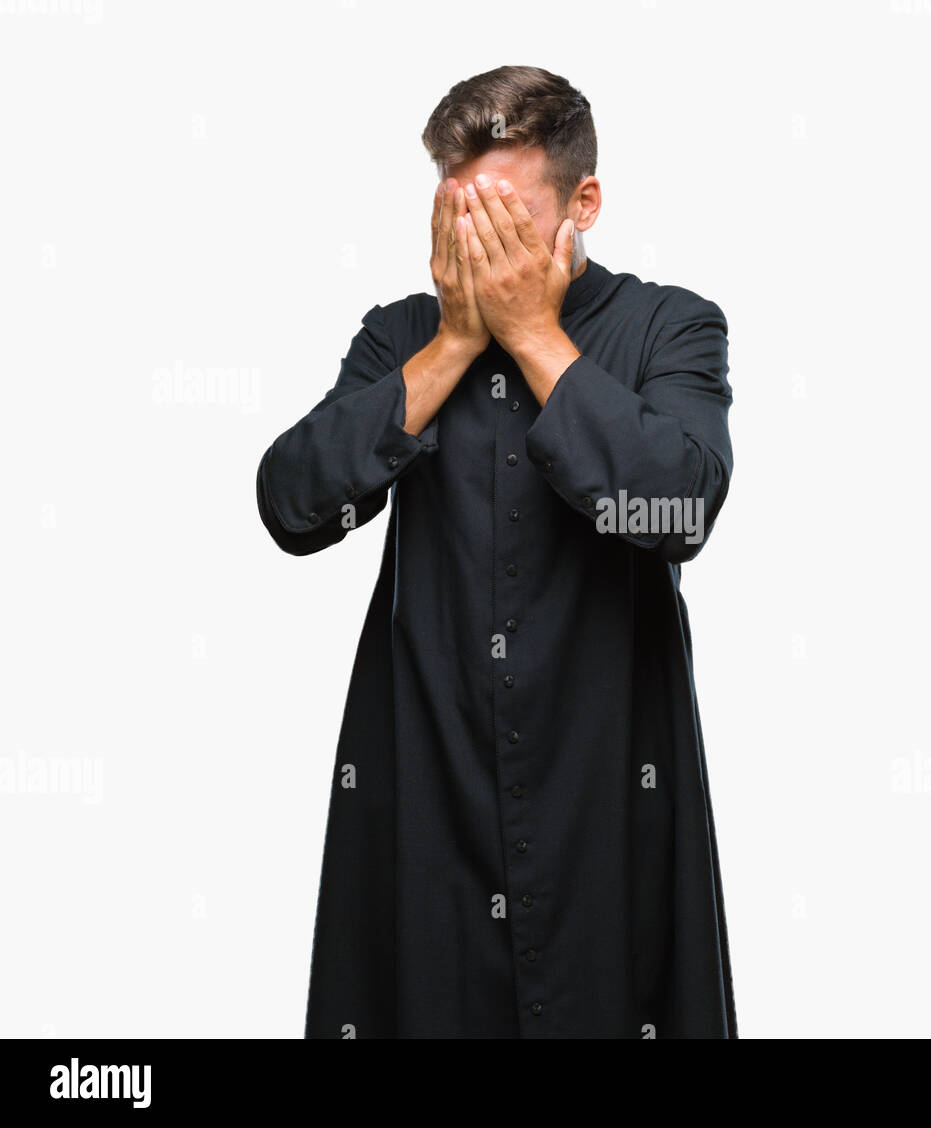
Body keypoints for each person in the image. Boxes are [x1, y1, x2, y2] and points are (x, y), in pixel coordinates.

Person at [256, 65, 736, 1038]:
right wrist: (449, 351)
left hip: (606, 779)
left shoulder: (670, 326)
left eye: (507, 217)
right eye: (457, 215)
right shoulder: (398, 335)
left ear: (583, 203)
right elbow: (292, 506)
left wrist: (530, 336)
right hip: (430, 779)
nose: (478, 245)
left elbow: (676, 508)